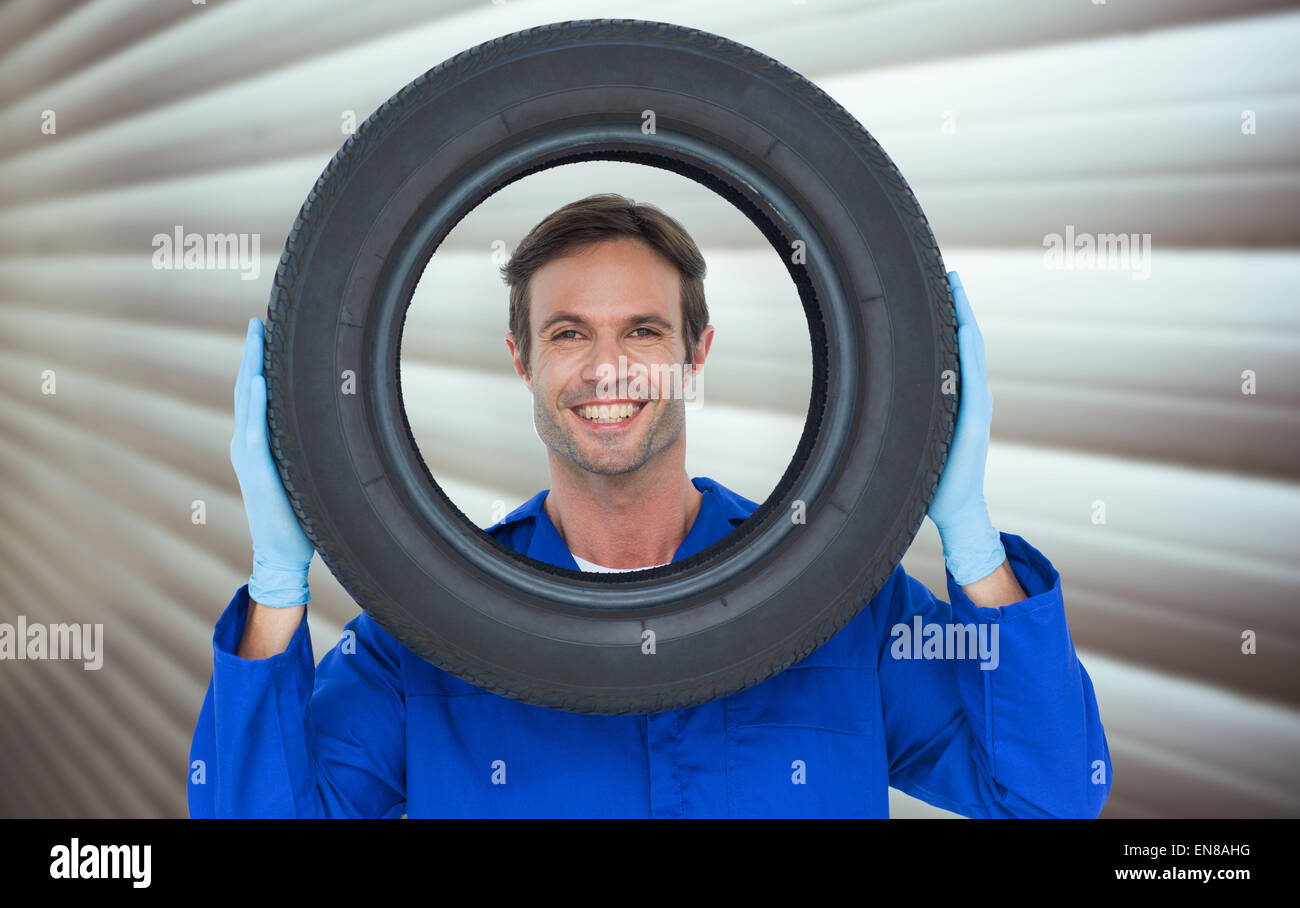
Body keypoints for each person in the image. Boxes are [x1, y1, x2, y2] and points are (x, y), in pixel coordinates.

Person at [188, 194, 1111, 818]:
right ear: (522, 360)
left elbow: (1052, 796)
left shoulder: (835, 597)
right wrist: (279, 586)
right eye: (567, 334)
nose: (607, 369)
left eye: (643, 330)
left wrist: (972, 542)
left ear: (696, 352)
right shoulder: (429, 627)